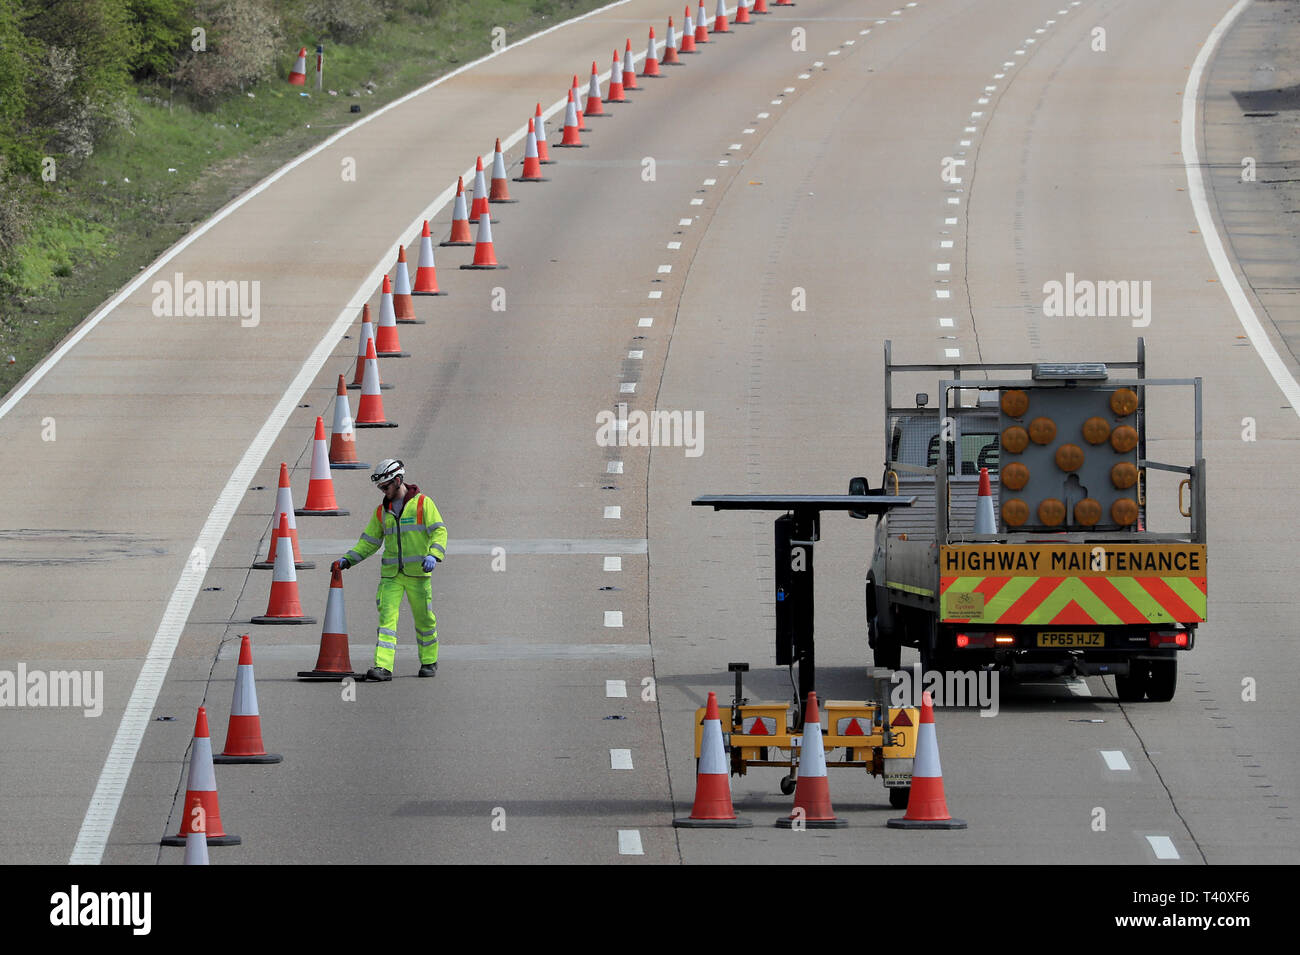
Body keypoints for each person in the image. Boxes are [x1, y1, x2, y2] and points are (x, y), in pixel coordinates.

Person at [332, 459, 446, 681]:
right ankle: (383, 667)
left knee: (425, 620)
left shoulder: (423, 504)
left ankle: (429, 661)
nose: (382, 492)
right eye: (380, 488)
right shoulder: (381, 512)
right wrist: (347, 560)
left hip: (418, 575)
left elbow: (439, 532)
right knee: (387, 621)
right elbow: (369, 542)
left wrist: (434, 554)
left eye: (385, 487)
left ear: (398, 480)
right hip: (391, 576)